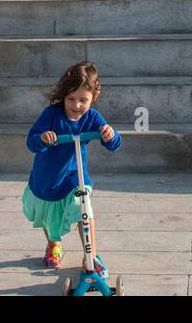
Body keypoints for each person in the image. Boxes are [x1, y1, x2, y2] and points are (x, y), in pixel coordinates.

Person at [23, 61, 122, 271]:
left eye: (83, 100)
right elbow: (31, 142)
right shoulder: (51, 115)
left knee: (84, 209)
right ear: (63, 95)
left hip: (75, 176)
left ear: (94, 96)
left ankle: (91, 255)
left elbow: (114, 144)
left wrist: (109, 134)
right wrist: (43, 138)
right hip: (47, 177)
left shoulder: (92, 117)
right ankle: (54, 244)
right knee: (48, 215)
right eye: (71, 99)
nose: (77, 105)